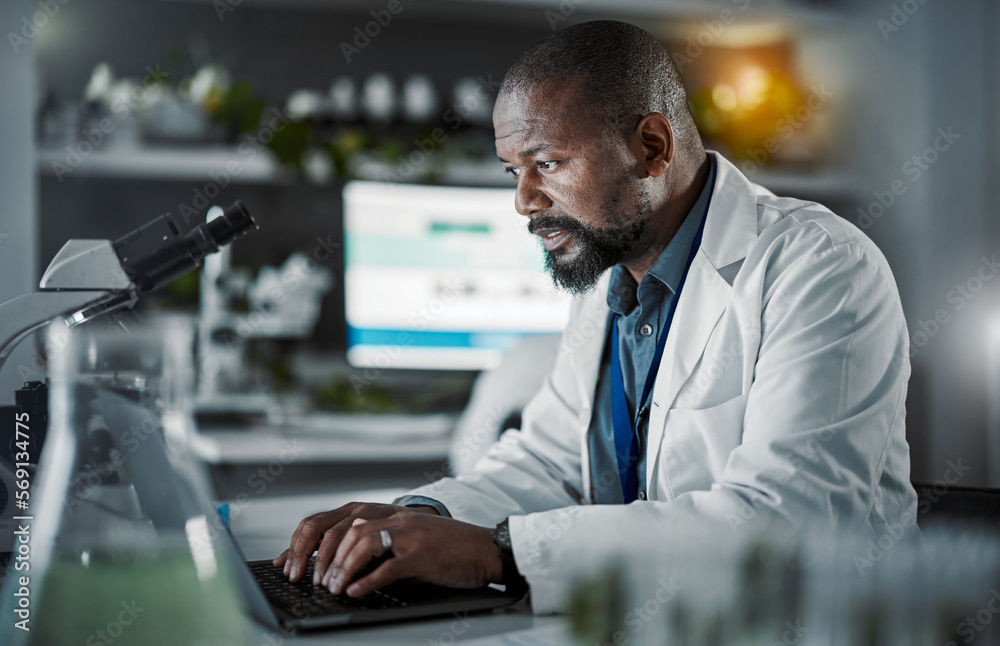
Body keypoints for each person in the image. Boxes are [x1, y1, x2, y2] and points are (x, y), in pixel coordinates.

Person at [273, 20, 917, 613]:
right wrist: (415, 517)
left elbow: (785, 527)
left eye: (547, 164)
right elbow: (549, 462)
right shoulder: (606, 274)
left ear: (652, 148)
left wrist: (500, 553)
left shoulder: (821, 268)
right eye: (513, 172)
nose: (524, 203)